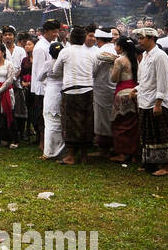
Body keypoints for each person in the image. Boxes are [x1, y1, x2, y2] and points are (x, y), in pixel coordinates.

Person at [52, 26, 97, 165]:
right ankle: (84, 155)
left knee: (70, 123)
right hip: (88, 90)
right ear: (84, 39)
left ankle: (71, 155)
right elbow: (94, 71)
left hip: (71, 90)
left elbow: (55, 70)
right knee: (86, 122)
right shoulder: (91, 53)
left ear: (71, 38)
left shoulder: (65, 52)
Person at [135, 30, 168, 175]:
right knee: (147, 133)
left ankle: (166, 166)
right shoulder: (145, 55)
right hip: (144, 99)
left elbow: (163, 81)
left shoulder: (160, 56)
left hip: (155, 100)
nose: (139, 41)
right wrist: (136, 89)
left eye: (142, 38)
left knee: (161, 133)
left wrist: (159, 102)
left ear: (151, 39)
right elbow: (145, 79)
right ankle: (150, 163)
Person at [33, 19, 64, 160]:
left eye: (57, 32)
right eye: (53, 32)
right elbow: (39, 73)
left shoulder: (53, 45)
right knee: (44, 120)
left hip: (53, 88)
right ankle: (43, 144)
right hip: (43, 89)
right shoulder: (40, 48)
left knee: (54, 119)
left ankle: (52, 147)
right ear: (45, 32)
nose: (56, 34)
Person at [110, 37, 139, 162]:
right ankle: (133, 153)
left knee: (120, 124)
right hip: (134, 91)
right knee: (132, 124)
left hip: (122, 92)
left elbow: (114, 79)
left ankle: (122, 153)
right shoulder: (135, 60)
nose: (115, 48)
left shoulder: (120, 60)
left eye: (116, 45)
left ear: (120, 47)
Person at [91, 29, 117, 156]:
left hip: (102, 89)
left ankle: (104, 149)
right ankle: (115, 145)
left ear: (98, 40)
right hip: (115, 88)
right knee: (114, 117)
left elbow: (93, 72)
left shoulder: (99, 52)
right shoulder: (117, 50)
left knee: (102, 119)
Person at [0, 44, 18, 149]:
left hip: (6, 93)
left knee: (8, 115)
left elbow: (10, 79)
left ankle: (13, 139)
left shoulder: (9, 64)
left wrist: (0, 91)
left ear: (3, 52)